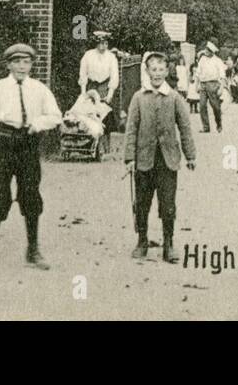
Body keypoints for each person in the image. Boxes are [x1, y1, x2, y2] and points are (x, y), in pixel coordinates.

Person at [0, 43, 63, 274]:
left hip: (28, 144)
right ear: (9, 64)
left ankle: (33, 250)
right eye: (17, 62)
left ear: (31, 65)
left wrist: (38, 124)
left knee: (30, 194)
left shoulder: (39, 89)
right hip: (3, 143)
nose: (22, 66)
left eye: (26, 62)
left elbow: (55, 116)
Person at [125, 51, 196, 264]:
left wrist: (190, 155)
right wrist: (129, 158)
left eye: (160, 70)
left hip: (168, 160)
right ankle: (142, 240)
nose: (157, 74)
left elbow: (185, 128)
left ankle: (169, 243)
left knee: (168, 204)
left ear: (167, 71)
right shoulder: (138, 97)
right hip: (144, 159)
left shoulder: (174, 98)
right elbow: (131, 129)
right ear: (147, 72)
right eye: (152, 70)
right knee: (142, 202)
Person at [79, 31, 121, 148]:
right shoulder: (88, 55)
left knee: (105, 114)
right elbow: (83, 73)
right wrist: (83, 92)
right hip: (92, 86)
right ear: (96, 44)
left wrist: (110, 93)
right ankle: (90, 143)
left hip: (104, 87)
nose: (103, 46)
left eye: (105, 44)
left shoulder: (111, 57)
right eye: (100, 44)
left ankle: (105, 145)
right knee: (90, 113)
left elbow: (114, 75)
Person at [195, 41, 227, 133]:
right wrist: (196, 85)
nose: (205, 52)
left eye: (207, 50)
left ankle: (219, 123)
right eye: (205, 50)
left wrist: (221, 88)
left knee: (216, 107)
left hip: (213, 85)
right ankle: (206, 127)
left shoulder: (218, 61)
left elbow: (222, 76)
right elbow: (197, 73)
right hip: (203, 85)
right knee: (202, 106)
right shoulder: (202, 60)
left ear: (212, 52)